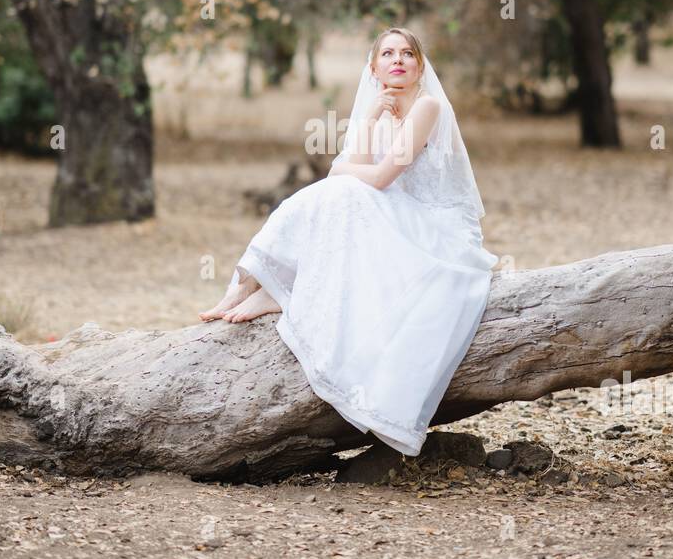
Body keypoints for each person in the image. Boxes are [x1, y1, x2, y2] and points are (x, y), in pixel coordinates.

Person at [199, 28, 498, 456]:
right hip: (396, 211)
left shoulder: (427, 107)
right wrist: (374, 116)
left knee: (340, 193)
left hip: (436, 227)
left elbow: (372, 177)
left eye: (408, 54)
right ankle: (251, 286)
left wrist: (344, 173)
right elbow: (351, 169)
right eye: (388, 54)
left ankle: (274, 288)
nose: (398, 60)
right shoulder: (381, 107)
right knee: (335, 195)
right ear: (374, 68)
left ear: (419, 66)